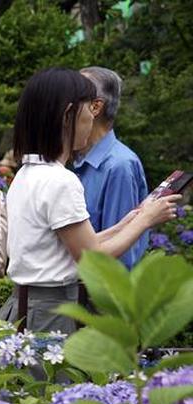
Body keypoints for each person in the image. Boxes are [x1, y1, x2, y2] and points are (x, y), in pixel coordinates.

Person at [0, 68, 179, 334]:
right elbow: (92, 257)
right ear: (68, 114)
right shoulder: (61, 181)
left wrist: (128, 223)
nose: (90, 119)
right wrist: (146, 221)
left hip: (24, 306)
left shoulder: (27, 174)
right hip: (54, 313)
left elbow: (66, 245)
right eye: (87, 110)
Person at [74, 66, 150, 269]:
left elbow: (122, 255)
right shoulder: (79, 160)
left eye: (74, 94)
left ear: (95, 107)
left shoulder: (119, 165)